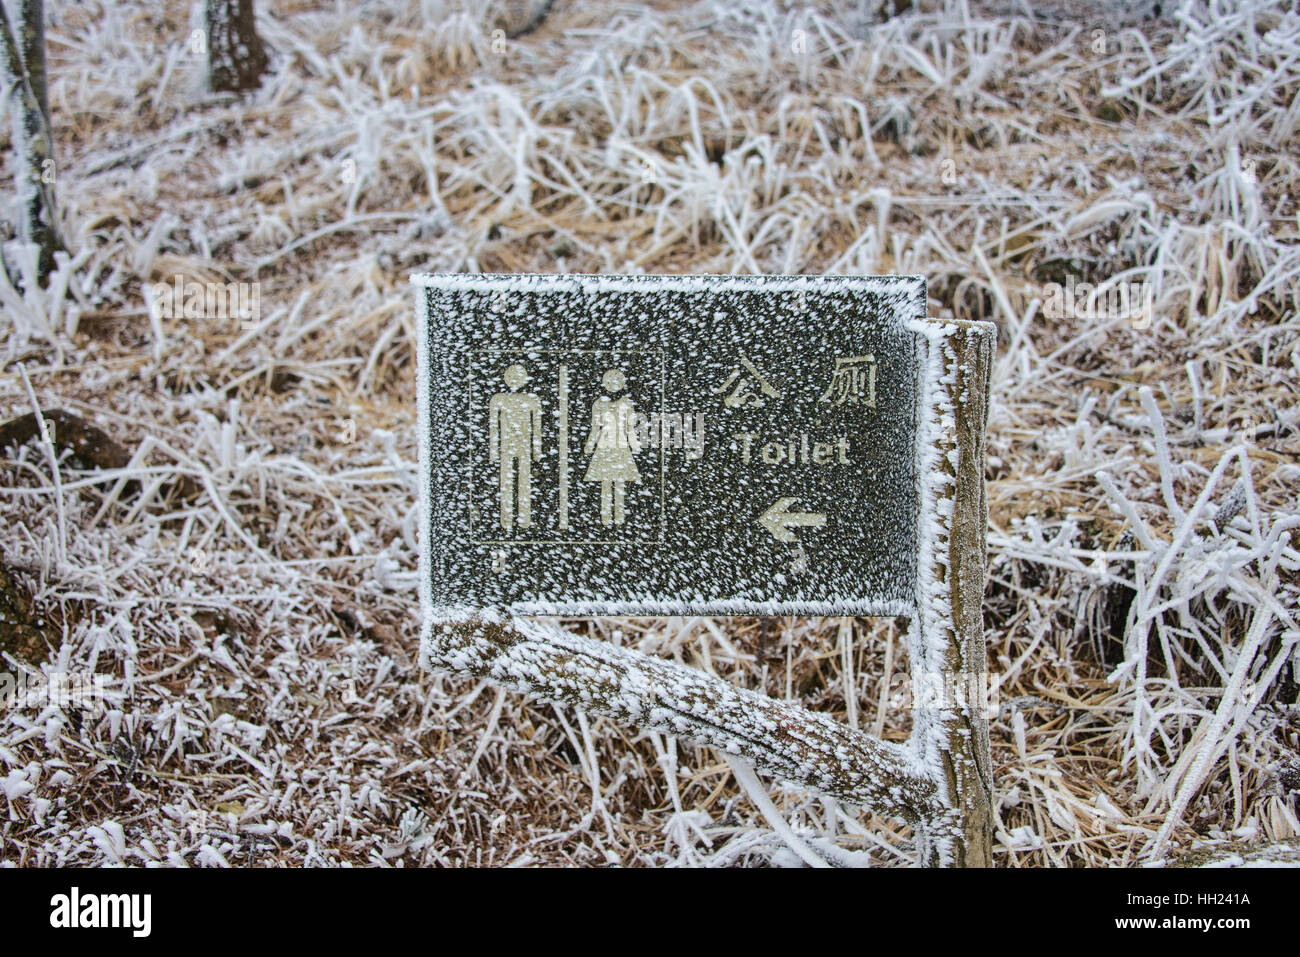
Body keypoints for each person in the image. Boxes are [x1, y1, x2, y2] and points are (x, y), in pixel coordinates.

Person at [583, 369, 641, 526]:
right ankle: (606, 517)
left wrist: (634, 444)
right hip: (605, 444)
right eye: (609, 382)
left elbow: (630, 427)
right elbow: (595, 427)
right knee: (606, 481)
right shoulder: (599, 404)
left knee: (619, 481)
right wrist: (590, 443)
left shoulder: (627, 404)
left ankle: (619, 517)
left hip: (620, 444)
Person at [488, 364, 542, 529]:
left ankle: (524, 518)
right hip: (506, 445)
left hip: (523, 445)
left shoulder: (531, 400)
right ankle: (507, 518)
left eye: (518, 377)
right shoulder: (499, 400)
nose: (515, 380)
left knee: (524, 482)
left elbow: (536, 426)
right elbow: (494, 426)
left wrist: (536, 449)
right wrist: (494, 450)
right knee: (506, 482)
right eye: (512, 377)